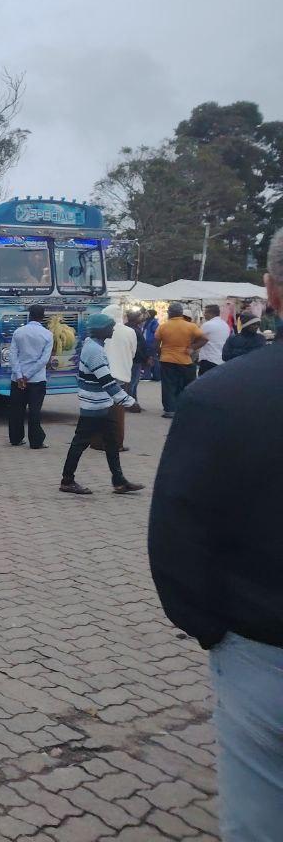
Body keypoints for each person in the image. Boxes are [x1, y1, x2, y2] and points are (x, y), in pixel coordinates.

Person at [148, 227, 283, 841]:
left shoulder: (223, 400)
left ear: (272, 291)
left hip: (262, 653)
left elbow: (178, 534)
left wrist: (211, 629)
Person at [59, 313, 143, 495]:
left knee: (112, 443)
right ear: (101, 330)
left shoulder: (94, 346)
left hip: (102, 404)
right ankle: (67, 481)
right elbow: (107, 382)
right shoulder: (94, 351)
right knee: (80, 443)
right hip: (94, 407)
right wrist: (129, 401)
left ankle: (119, 481)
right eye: (110, 327)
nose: (113, 329)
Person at [7, 304, 53, 448]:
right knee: (34, 411)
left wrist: (20, 376)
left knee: (16, 410)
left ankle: (15, 438)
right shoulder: (47, 334)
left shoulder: (18, 332)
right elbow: (44, 360)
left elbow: (13, 355)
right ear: (43, 317)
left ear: (29, 315)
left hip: (17, 379)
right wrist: (27, 376)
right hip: (37, 379)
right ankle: (36, 441)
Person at [94, 303, 138, 449]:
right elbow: (133, 352)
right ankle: (116, 443)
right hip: (121, 376)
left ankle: (98, 442)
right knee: (118, 413)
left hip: (101, 375)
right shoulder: (130, 331)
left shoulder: (99, 331)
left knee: (99, 409)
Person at [156, 302, 206, 418]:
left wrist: (160, 354)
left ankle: (169, 410)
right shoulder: (191, 326)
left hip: (167, 359)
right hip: (185, 360)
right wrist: (192, 348)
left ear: (169, 313)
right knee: (184, 384)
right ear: (181, 313)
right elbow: (204, 339)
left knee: (168, 385)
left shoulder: (163, 326)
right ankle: (182, 407)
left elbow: (156, 344)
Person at [198, 304, 231, 375]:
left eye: (205, 312)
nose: (204, 314)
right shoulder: (225, 325)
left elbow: (197, 338)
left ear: (211, 313)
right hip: (221, 360)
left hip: (208, 359)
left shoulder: (208, 324)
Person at [126, 309, 147, 398]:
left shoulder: (129, 327)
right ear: (136, 318)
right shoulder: (134, 329)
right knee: (133, 382)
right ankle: (130, 403)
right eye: (140, 316)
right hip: (135, 359)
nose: (142, 317)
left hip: (131, 358)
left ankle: (134, 401)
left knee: (133, 382)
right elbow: (138, 347)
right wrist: (145, 357)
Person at [143, 308, 161, 380]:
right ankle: (147, 375)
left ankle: (156, 376)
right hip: (147, 343)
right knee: (147, 359)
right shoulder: (148, 321)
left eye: (147, 314)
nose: (146, 315)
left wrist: (155, 344)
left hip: (151, 343)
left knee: (154, 359)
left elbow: (156, 333)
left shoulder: (154, 323)